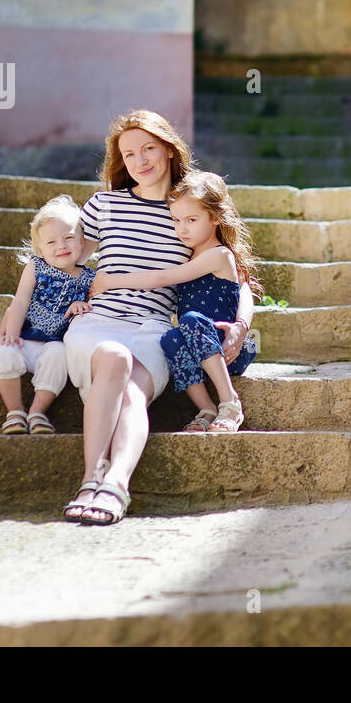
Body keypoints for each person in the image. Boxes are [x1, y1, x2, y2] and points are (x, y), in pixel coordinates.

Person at [62, 111, 255, 525]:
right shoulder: (105, 204)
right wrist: (22, 315)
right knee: (114, 356)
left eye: (148, 148)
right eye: (128, 153)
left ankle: (115, 484)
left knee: (132, 390)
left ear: (169, 148)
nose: (140, 160)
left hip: (152, 329)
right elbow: (61, 259)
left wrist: (240, 325)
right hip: (99, 324)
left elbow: (233, 273)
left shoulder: (185, 211)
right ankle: (89, 478)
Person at [89, 170, 260, 434]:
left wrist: (111, 281)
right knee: (170, 338)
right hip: (194, 348)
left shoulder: (219, 254)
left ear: (215, 217)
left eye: (191, 219)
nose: (182, 228)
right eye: (176, 219)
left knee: (191, 321)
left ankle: (230, 402)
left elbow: (163, 277)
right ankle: (206, 408)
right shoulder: (188, 253)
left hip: (226, 348)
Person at [0, 195, 95, 434]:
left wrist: (81, 304)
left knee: (59, 355)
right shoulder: (36, 266)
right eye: (51, 242)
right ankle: (14, 412)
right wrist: (12, 334)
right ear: (40, 249)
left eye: (68, 238)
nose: (61, 246)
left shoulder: (89, 278)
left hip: (54, 344)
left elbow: (92, 308)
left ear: (82, 241)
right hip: (24, 337)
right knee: (4, 350)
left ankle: (37, 412)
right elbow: (21, 300)